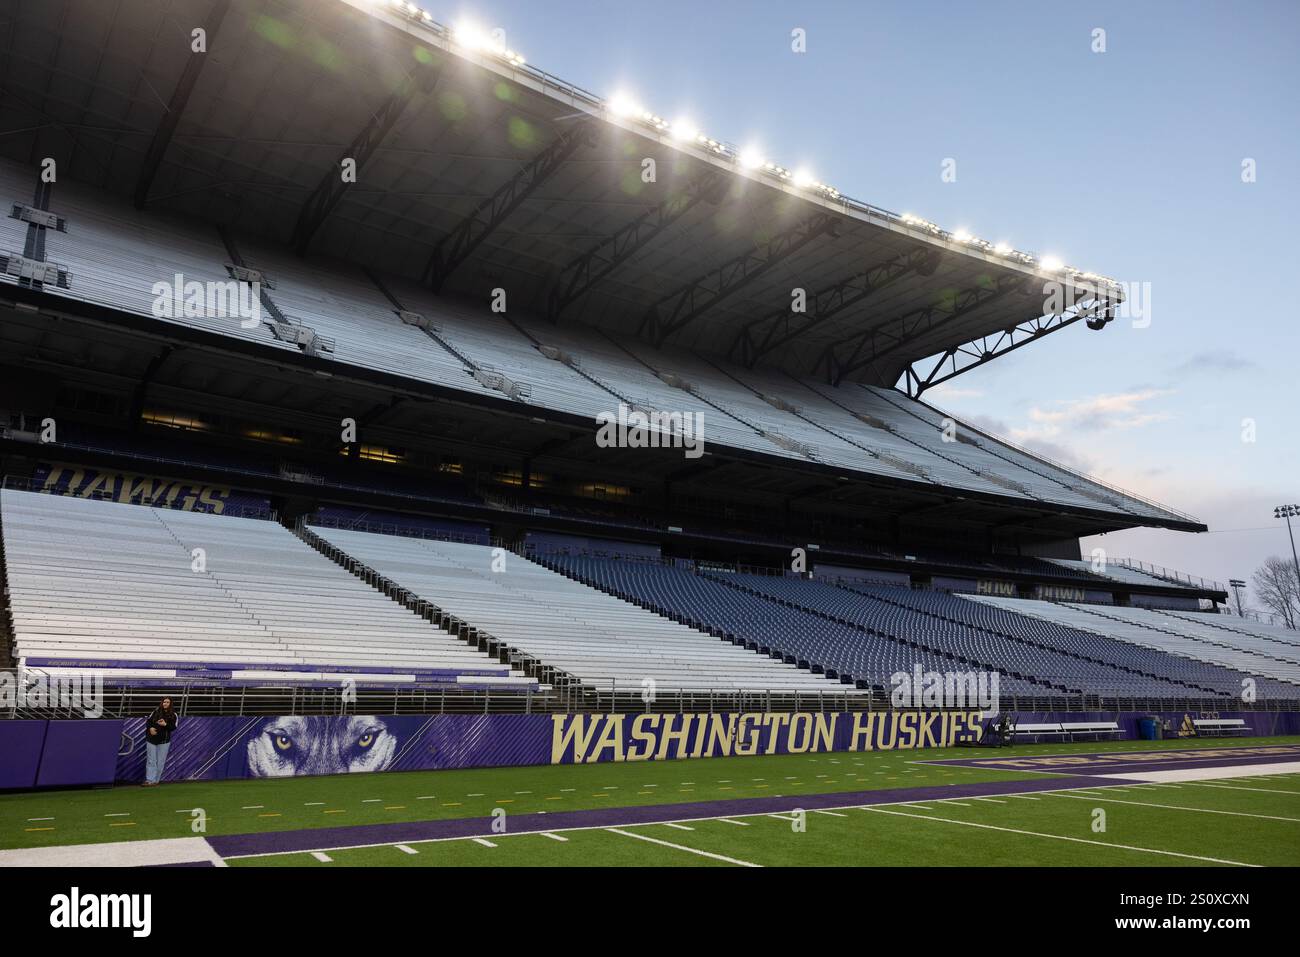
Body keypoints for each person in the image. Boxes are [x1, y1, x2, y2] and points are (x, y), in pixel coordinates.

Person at [143, 697, 178, 786]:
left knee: (160, 761)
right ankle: (149, 780)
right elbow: (148, 722)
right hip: (151, 739)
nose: (165, 703)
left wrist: (165, 724)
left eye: (167, 702)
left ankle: (155, 781)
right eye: (164, 702)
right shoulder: (155, 711)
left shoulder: (174, 715)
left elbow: (173, 727)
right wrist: (150, 728)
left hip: (164, 741)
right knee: (151, 760)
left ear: (171, 704)